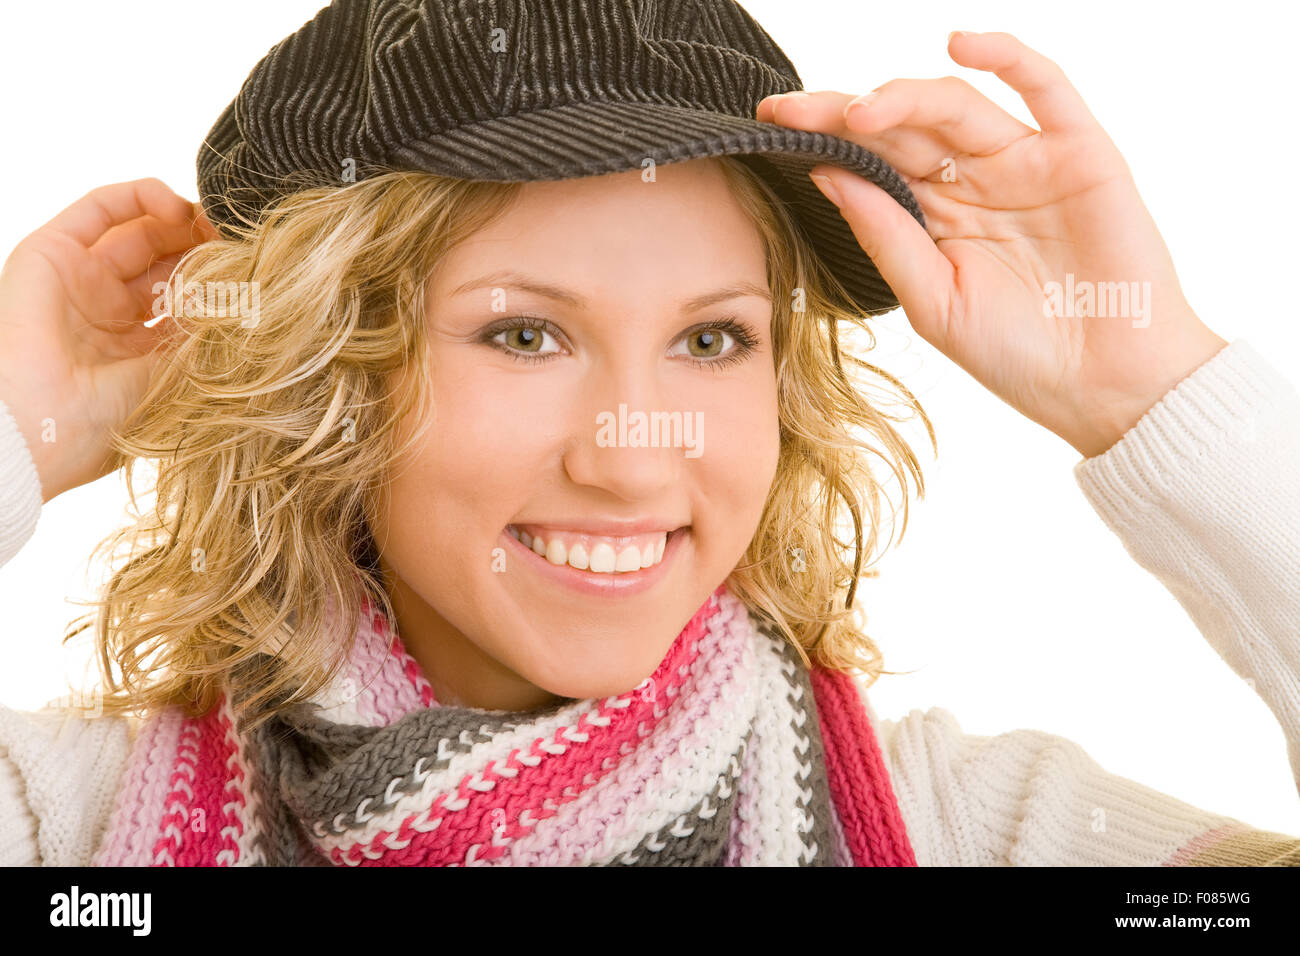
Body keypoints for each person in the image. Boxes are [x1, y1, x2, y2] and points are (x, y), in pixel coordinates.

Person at [0, 2, 1297, 866]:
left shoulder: (960, 831)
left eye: (713, 337)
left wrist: (1150, 390)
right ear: (324, 375)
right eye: (524, 335)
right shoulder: (69, 830)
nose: (629, 454)